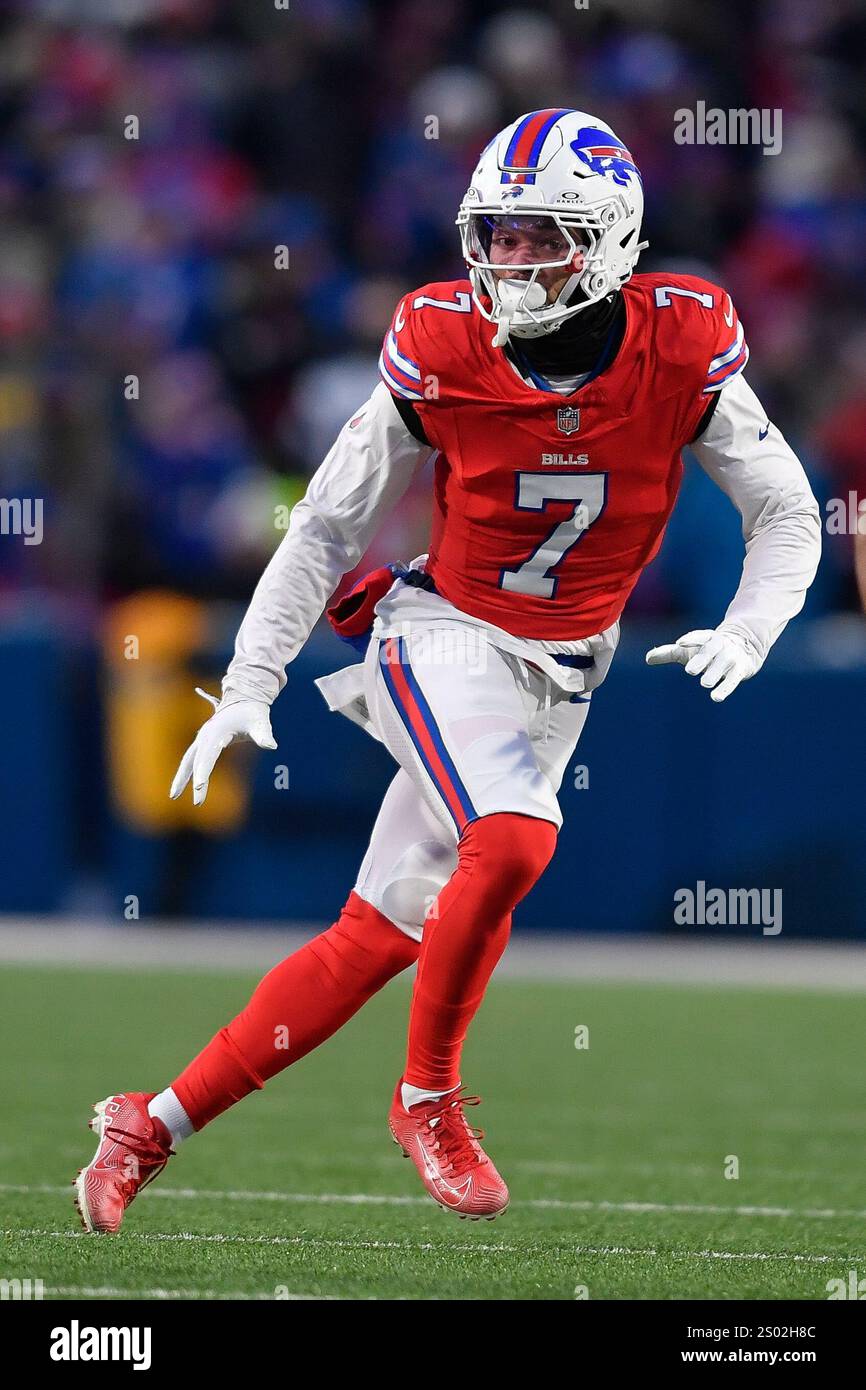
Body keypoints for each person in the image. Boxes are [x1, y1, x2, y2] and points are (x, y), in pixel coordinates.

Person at [74, 109, 821, 1232]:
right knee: (516, 833)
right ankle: (426, 1095)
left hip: (566, 664)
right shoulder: (439, 341)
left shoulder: (682, 339)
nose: (510, 260)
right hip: (443, 633)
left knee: (376, 935)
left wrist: (750, 627)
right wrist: (248, 680)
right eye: (498, 235)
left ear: (611, 238)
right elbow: (327, 525)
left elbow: (784, 512)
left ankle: (148, 1124)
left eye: (539, 235)